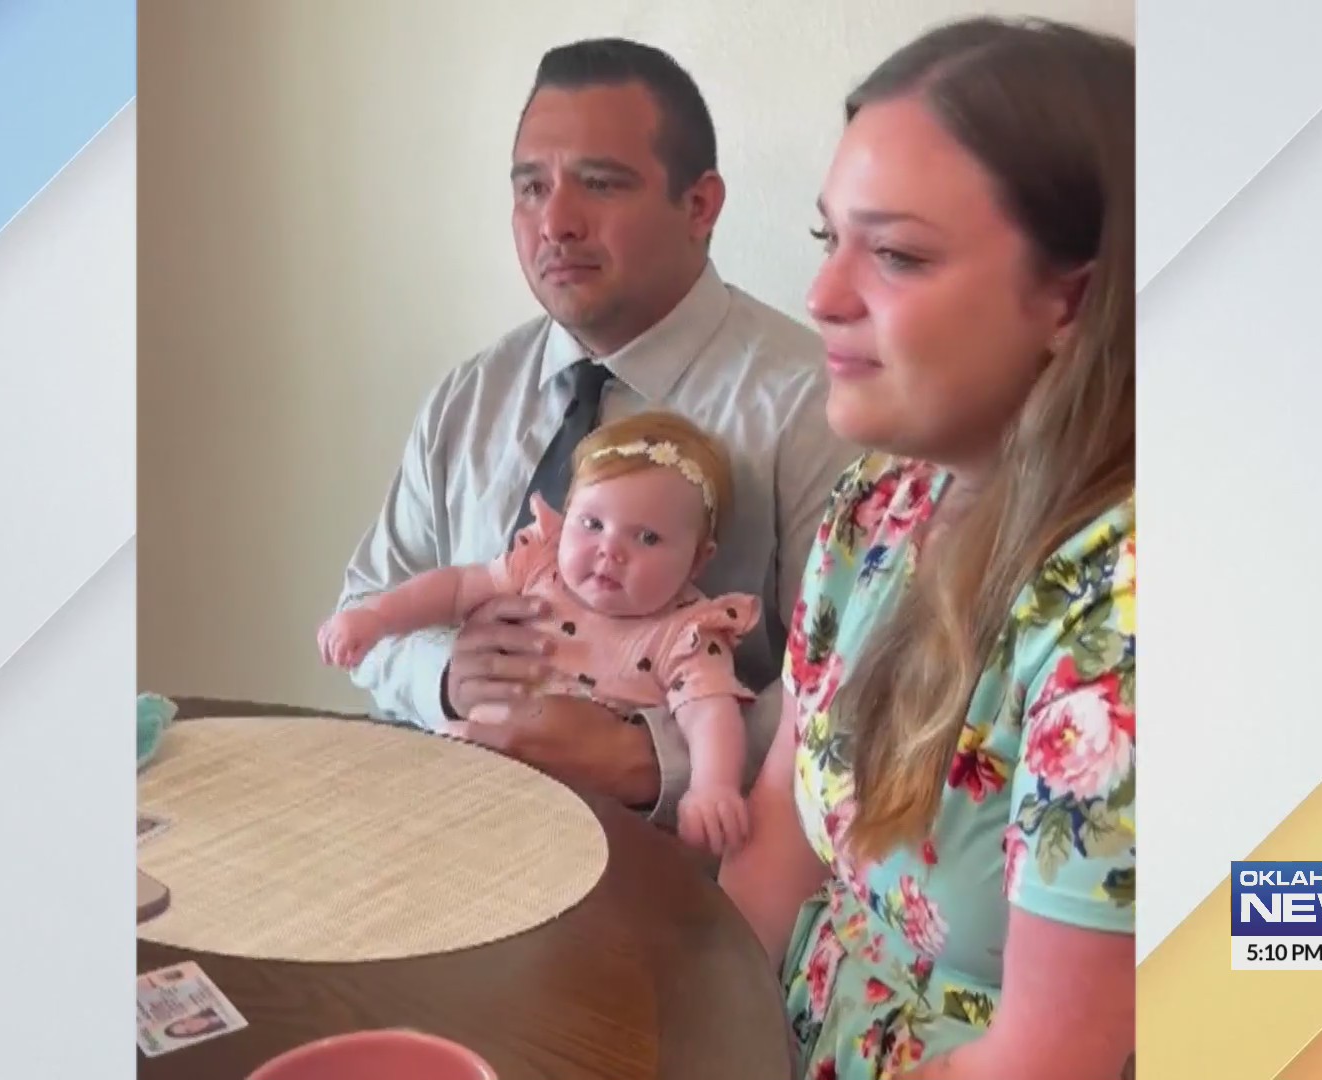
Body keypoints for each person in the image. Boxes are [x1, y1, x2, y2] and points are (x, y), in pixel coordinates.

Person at [717, 17, 1136, 1080]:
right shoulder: (882, 501)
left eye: (895, 254)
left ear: (1071, 300)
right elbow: (781, 836)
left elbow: (1052, 1062)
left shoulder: (1128, 616)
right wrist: (685, 1038)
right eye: (830, 240)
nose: (822, 297)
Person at [335, 38, 854, 828]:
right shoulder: (469, 398)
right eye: (530, 188)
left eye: (600, 186)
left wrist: (653, 759)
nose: (557, 223)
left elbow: (860, 684)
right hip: (443, 844)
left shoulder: (815, 406)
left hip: (686, 896)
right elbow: (369, 605)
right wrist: (448, 674)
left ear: (701, 206)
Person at [322, 412, 760, 855]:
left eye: (647, 537)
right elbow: (454, 588)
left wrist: (712, 787)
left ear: (699, 560)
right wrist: (376, 618)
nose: (610, 550)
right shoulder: (539, 567)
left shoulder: (685, 633)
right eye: (591, 524)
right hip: (472, 766)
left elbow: (709, 714)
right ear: (565, 517)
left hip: (596, 822)